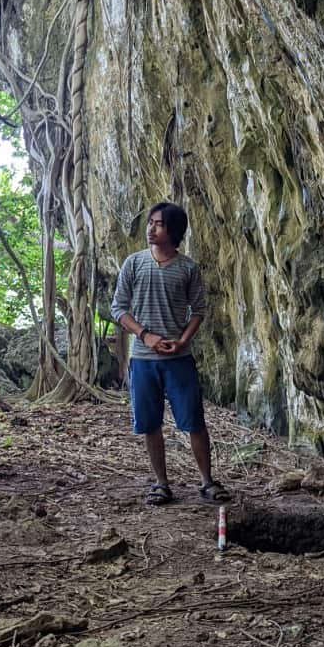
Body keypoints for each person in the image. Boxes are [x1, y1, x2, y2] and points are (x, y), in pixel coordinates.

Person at [111, 201, 229, 505]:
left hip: (178, 359)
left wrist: (183, 341)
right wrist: (145, 335)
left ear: (173, 230)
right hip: (143, 358)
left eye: (159, 224)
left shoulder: (187, 268)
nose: (151, 228)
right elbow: (119, 308)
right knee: (150, 423)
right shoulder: (134, 264)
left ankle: (207, 481)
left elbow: (198, 310)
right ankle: (161, 483)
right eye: (150, 222)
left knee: (194, 420)